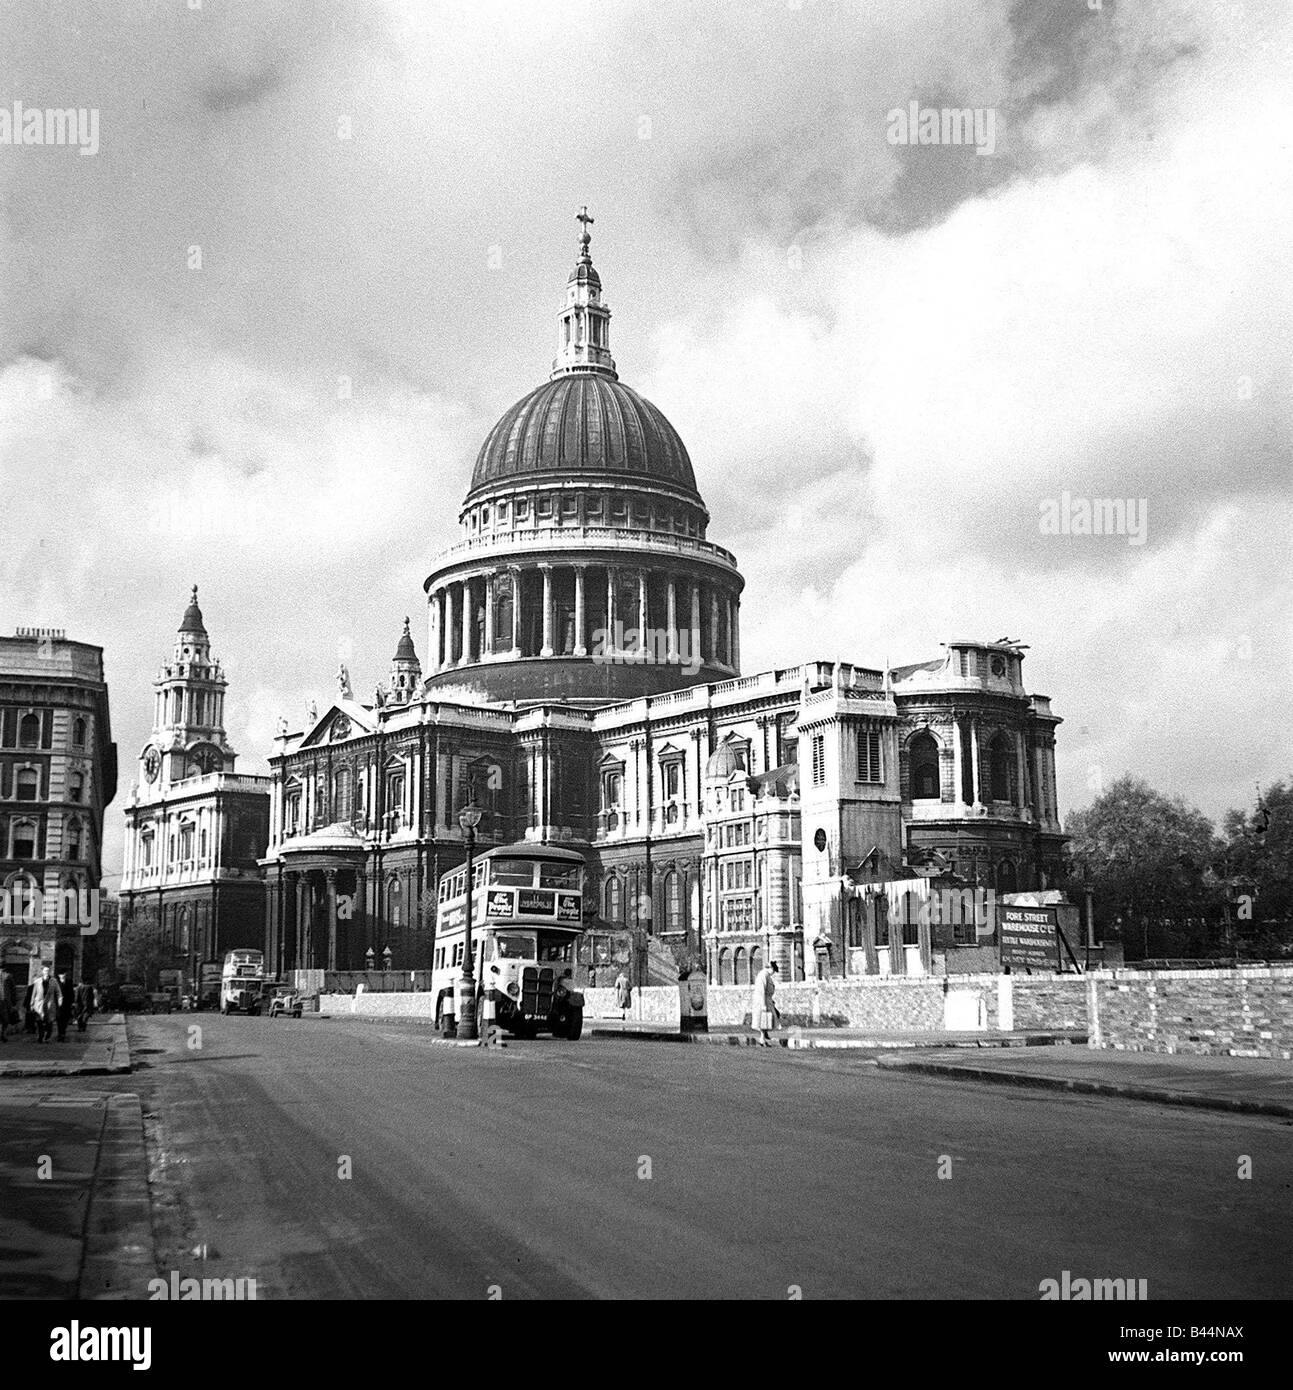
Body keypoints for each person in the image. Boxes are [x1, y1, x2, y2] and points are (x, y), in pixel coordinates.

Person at [750, 960, 779, 1047]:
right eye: (773, 970)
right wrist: (763, 1005)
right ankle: (762, 1038)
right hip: (762, 1001)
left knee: (769, 1019)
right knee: (764, 1020)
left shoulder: (766, 975)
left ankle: (764, 1037)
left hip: (767, 1000)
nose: (773, 973)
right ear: (771, 968)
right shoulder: (763, 975)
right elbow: (761, 991)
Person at [29, 966, 61, 1044]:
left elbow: (58, 992)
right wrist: (32, 1004)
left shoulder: (54, 981)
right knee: (39, 1021)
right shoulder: (37, 981)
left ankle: (47, 1036)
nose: (47, 972)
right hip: (39, 1003)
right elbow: (34, 993)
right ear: (42, 972)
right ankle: (40, 1036)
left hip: (49, 1003)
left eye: (48, 970)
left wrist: (60, 1001)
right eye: (45, 971)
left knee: (49, 1021)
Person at [56, 971, 75, 1042]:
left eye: (64, 974)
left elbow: (71, 992)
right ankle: (60, 1033)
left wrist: (72, 1002)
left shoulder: (69, 982)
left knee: (65, 1019)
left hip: (67, 1004)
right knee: (59, 1019)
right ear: (59, 975)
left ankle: (63, 1031)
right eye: (61, 974)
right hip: (59, 1004)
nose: (63, 975)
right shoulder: (56, 982)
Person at [0, 967, 14, 1042]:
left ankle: (3, 1034)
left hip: (4, 1001)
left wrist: (14, 1002)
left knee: (5, 1020)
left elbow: (13, 990)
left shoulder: (8, 976)